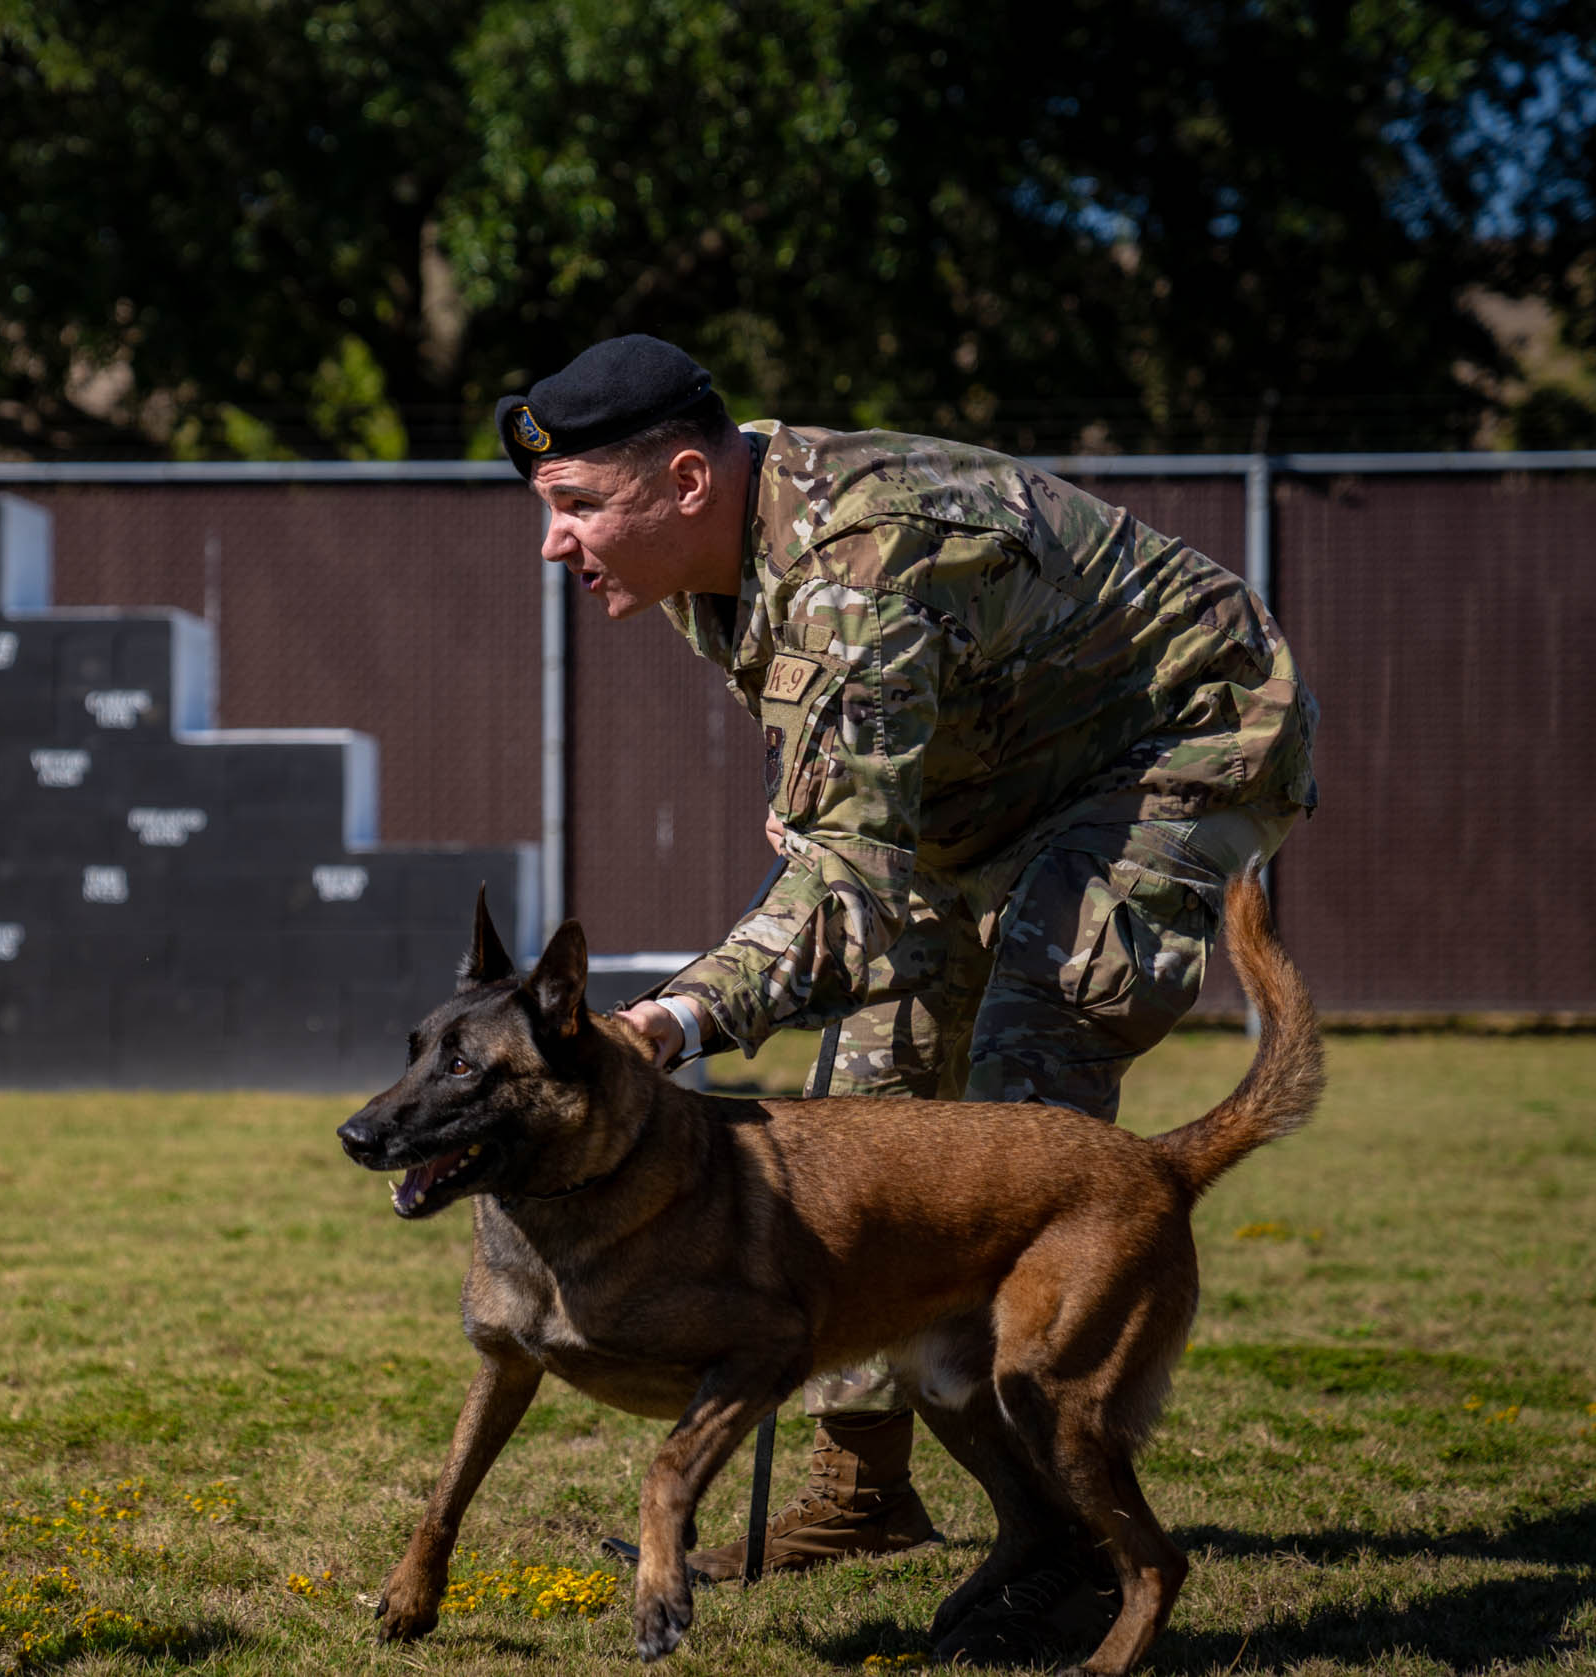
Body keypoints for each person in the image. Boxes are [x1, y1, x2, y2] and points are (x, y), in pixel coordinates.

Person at [498, 335, 1315, 1631]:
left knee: (1023, 1064)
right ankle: (861, 1482)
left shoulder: (852, 560)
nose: (554, 545)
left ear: (688, 481)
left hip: (1178, 732)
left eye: (575, 504)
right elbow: (847, 828)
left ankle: (1060, 1534)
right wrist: (833, 825)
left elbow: (843, 883)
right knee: (872, 1078)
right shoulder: (716, 557)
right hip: (993, 780)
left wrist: (669, 1016)